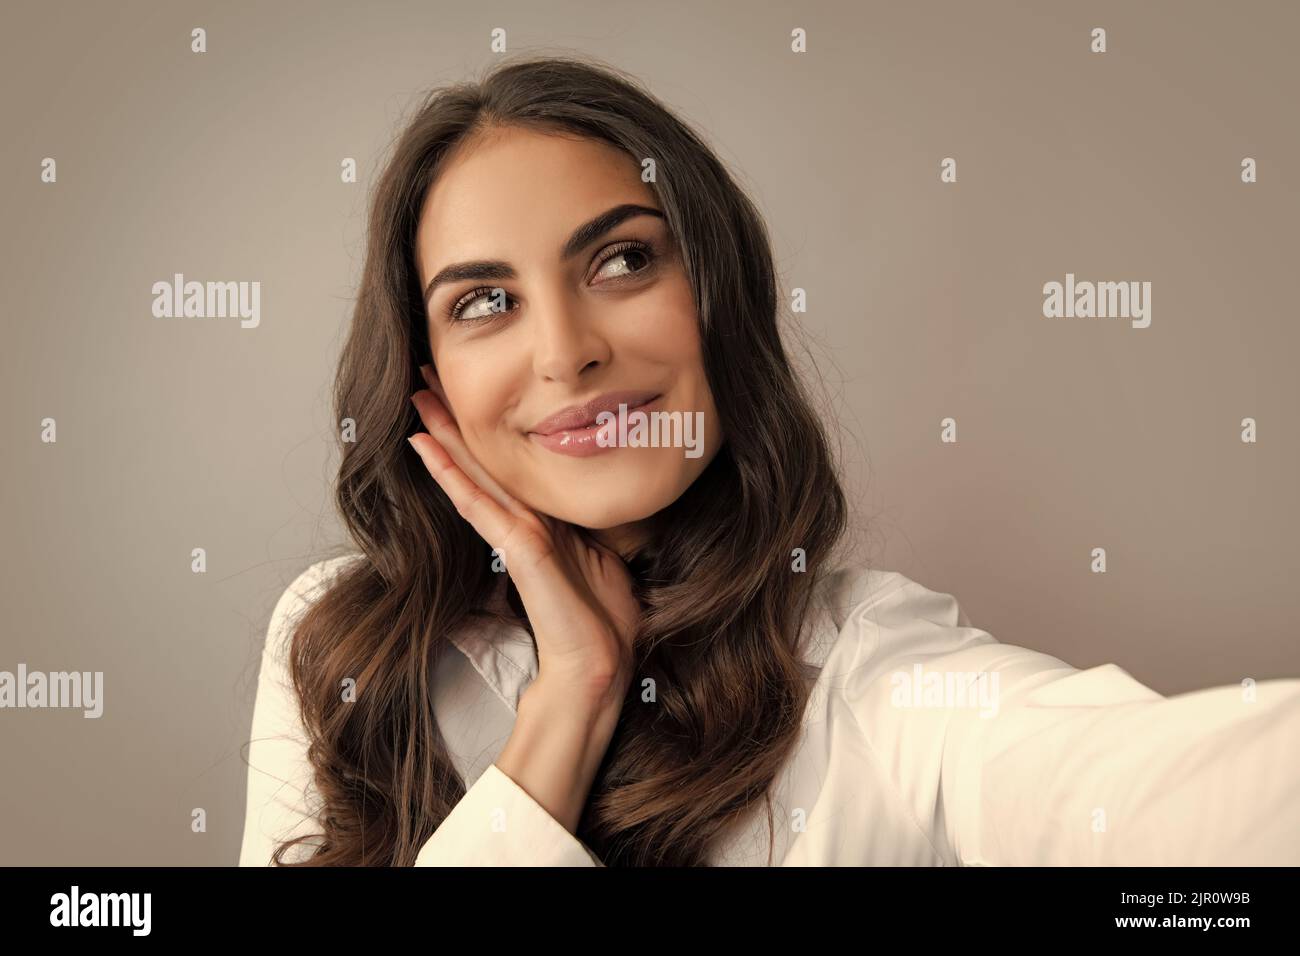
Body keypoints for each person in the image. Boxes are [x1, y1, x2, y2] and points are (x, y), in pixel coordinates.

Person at [239, 54, 1300, 867]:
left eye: (623, 259)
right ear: (432, 383)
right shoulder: (344, 638)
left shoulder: (862, 661)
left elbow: (1140, 786)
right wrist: (573, 695)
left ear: (719, 296)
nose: (567, 351)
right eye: (485, 301)